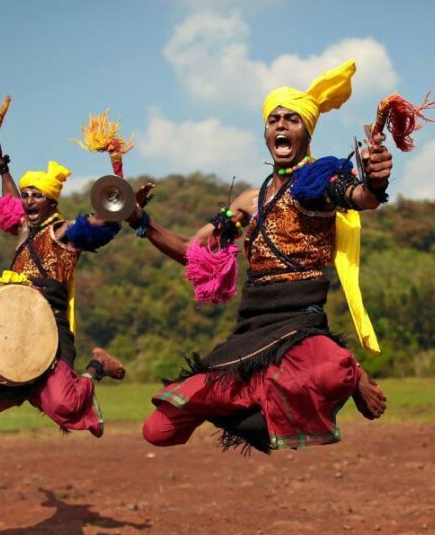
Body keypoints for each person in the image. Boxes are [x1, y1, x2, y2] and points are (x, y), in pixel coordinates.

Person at [132, 59, 390, 453]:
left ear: (306, 131)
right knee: (158, 430)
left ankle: (352, 374)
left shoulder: (318, 179)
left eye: (292, 119)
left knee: (334, 372)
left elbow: (362, 198)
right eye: (274, 120)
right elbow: (192, 251)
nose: (281, 125)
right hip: (253, 327)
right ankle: (252, 396)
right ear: (266, 133)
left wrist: (375, 178)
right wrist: (141, 222)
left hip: (300, 322)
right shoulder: (250, 201)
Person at [0, 133, 129, 435]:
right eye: (26, 194)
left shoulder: (64, 230)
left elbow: (105, 221)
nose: (28, 200)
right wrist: (0, 162)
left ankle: (97, 366)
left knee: (65, 407)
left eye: (36, 195)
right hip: (15, 324)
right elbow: (10, 201)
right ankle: (30, 386)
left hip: (48, 324)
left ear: (51, 201)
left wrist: (116, 171)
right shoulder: (22, 230)